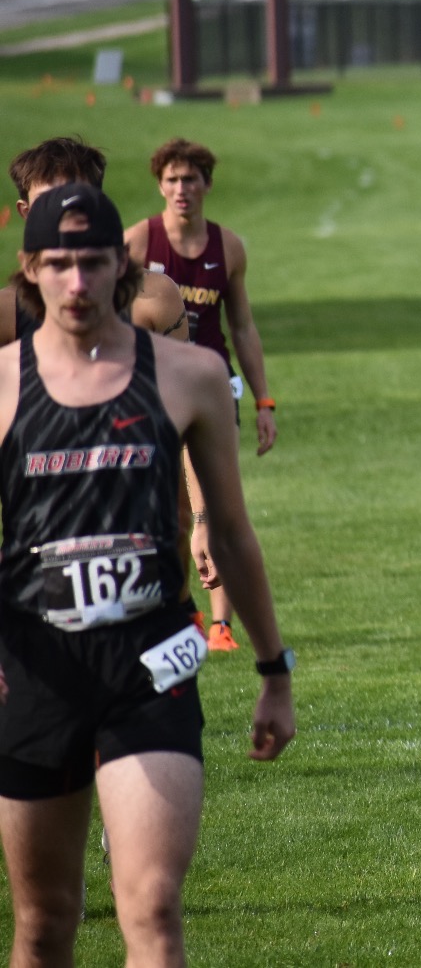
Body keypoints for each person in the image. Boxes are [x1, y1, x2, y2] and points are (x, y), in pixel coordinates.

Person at [0, 183, 294, 965]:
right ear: (29, 270)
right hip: (36, 672)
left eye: (93, 262)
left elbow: (230, 531)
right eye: (57, 264)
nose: (76, 283)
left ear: (119, 272)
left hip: (149, 665)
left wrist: (274, 668)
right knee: (44, 921)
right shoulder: (1, 383)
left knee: (155, 908)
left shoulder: (188, 374)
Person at [125, 139, 278, 655]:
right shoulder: (137, 244)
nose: (181, 189)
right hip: (154, 394)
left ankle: (221, 625)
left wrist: (263, 401)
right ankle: (183, 607)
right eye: (171, 180)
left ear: (207, 185)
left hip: (213, 391)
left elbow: (242, 326)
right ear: (159, 186)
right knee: (171, 509)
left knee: (215, 501)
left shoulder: (228, 247)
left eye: (190, 179)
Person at [3, 139, 187, 347]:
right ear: (25, 211)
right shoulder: (7, 312)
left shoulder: (156, 297)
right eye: (47, 200)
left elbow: (182, 376)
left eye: (75, 198)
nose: (62, 211)